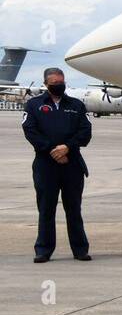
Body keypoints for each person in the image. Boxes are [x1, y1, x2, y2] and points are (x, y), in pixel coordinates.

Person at [22, 68, 92, 263]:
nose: (58, 85)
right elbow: (30, 131)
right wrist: (52, 150)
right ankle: (43, 249)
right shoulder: (34, 105)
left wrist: (67, 148)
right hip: (46, 164)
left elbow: (85, 132)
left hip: (72, 164)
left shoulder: (76, 105)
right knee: (46, 208)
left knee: (74, 208)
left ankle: (80, 249)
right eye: (54, 82)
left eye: (61, 82)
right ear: (46, 84)